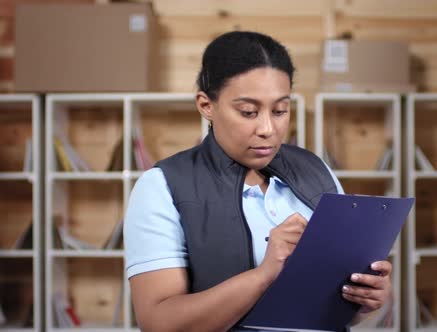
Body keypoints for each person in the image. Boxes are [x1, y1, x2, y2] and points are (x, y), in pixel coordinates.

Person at [124, 31, 392, 332]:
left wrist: (364, 299)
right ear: (206, 105)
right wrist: (264, 274)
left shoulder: (318, 171)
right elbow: (159, 323)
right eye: (248, 112)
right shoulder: (162, 186)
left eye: (280, 110)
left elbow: (340, 309)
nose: (267, 128)